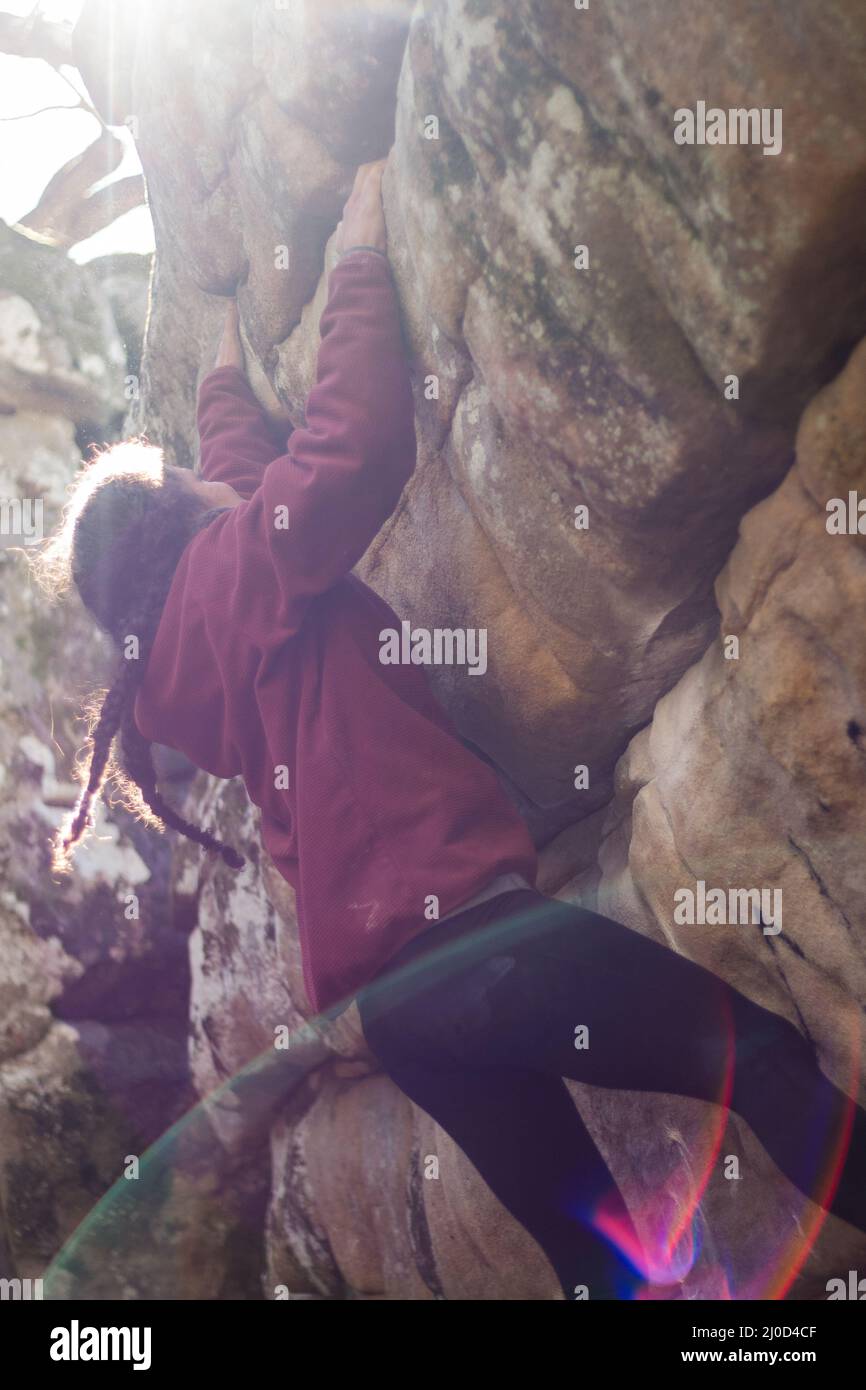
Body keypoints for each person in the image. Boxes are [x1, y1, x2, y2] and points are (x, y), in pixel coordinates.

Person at [36, 159, 866, 1300]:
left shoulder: (200, 651)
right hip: (483, 948)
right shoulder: (241, 571)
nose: (203, 473)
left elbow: (248, 491)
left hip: (401, 1021)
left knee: (594, 1254)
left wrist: (221, 384)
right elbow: (350, 447)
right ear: (180, 521)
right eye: (182, 472)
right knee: (758, 1061)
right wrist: (365, 253)